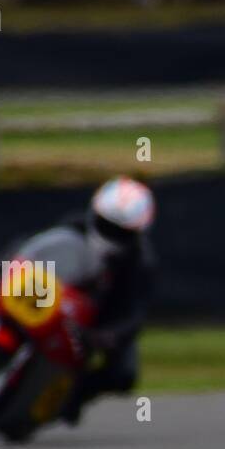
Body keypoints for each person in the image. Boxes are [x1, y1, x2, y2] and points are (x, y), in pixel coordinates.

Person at [58, 176, 157, 424]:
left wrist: (109, 335)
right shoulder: (72, 227)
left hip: (101, 320)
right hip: (56, 298)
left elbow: (135, 314)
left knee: (124, 374)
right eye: (106, 224)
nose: (111, 234)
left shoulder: (140, 262)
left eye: (121, 230)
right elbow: (38, 249)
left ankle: (76, 395)